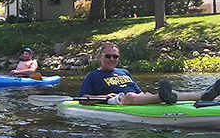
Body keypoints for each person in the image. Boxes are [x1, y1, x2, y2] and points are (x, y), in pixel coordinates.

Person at [78, 42, 220, 105]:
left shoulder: (124, 72)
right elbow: (82, 98)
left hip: (135, 98)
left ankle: (203, 95)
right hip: (115, 101)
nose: (112, 59)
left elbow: (137, 91)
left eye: (115, 56)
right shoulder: (93, 76)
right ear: (101, 56)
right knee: (129, 96)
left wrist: (143, 95)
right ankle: (162, 96)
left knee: (142, 94)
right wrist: (104, 97)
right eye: (108, 56)